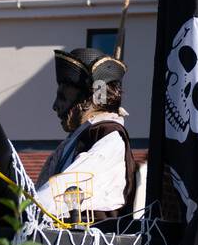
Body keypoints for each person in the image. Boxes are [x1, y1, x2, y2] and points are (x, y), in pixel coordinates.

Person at [34, 48, 138, 222]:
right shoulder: (78, 138)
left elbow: (58, 194)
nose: (55, 106)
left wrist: (22, 213)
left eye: (62, 97)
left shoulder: (109, 136)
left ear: (89, 100)